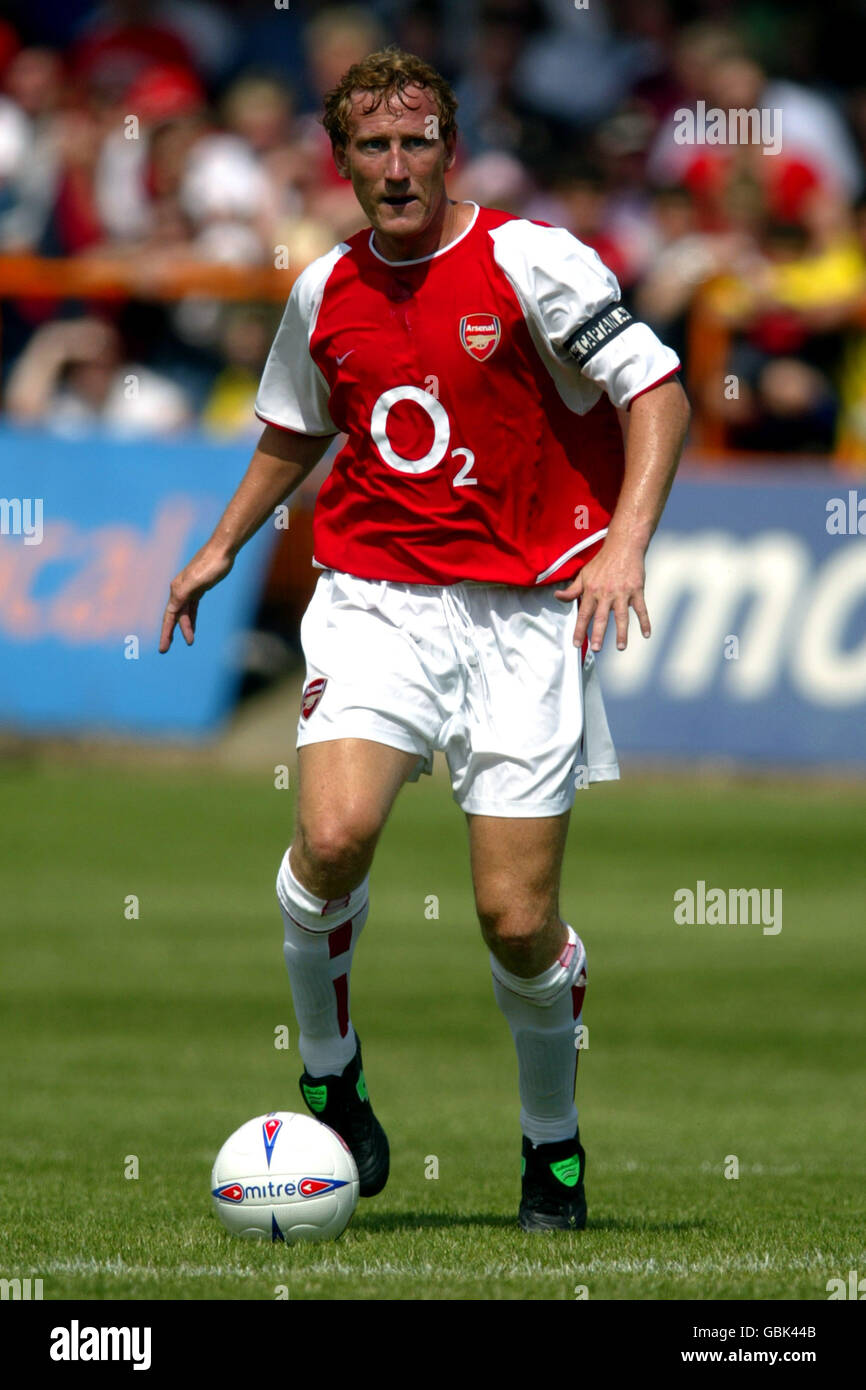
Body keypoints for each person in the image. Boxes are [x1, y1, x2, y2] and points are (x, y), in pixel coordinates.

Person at [159, 48, 690, 1232]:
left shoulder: (530, 259)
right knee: (333, 833)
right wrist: (222, 545)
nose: (394, 169)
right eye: (370, 148)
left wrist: (625, 542)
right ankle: (330, 1074)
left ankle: (550, 1150)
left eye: (414, 145)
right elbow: (297, 428)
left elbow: (657, 394)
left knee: (512, 922)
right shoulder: (324, 289)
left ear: (448, 151)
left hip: (524, 616)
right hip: (371, 597)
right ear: (337, 159)